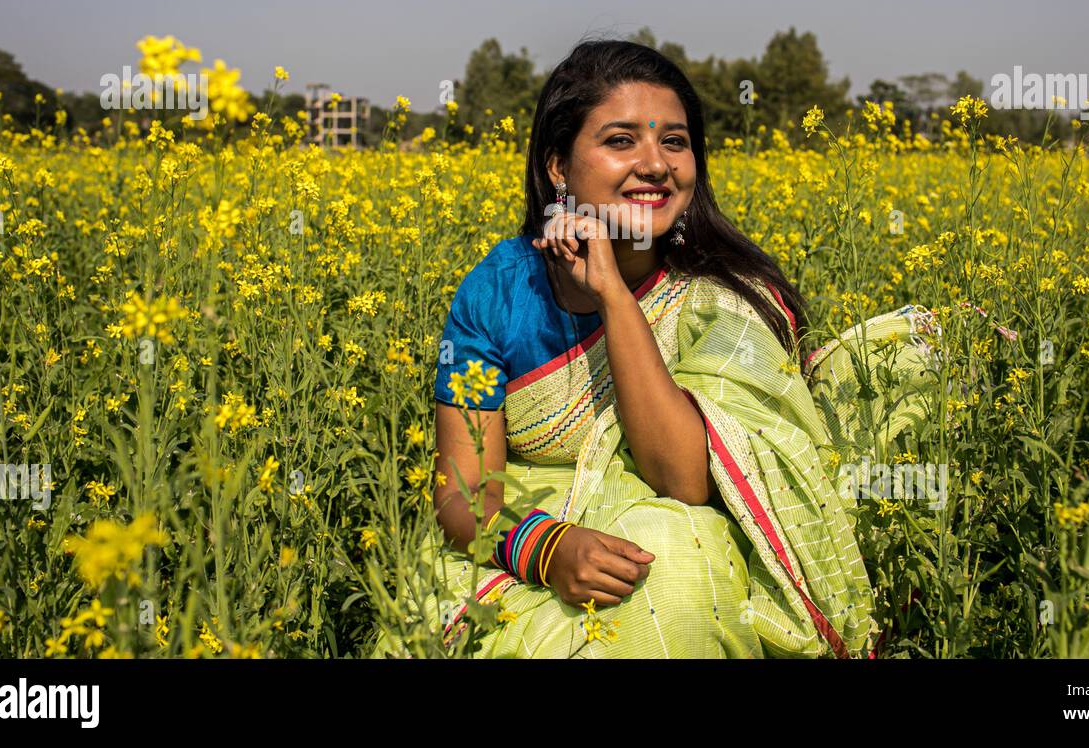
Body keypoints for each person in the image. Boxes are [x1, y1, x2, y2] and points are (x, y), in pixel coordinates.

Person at [372, 39, 941, 658]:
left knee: (669, 558)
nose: (656, 164)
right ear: (558, 166)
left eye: (674, 141)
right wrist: (546, 548)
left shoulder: (722, 297)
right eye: (621, 141)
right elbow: (462, 492)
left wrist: (614, 298)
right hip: (516, 554)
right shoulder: (494, 298)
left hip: (683, 557)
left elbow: (684, 479)